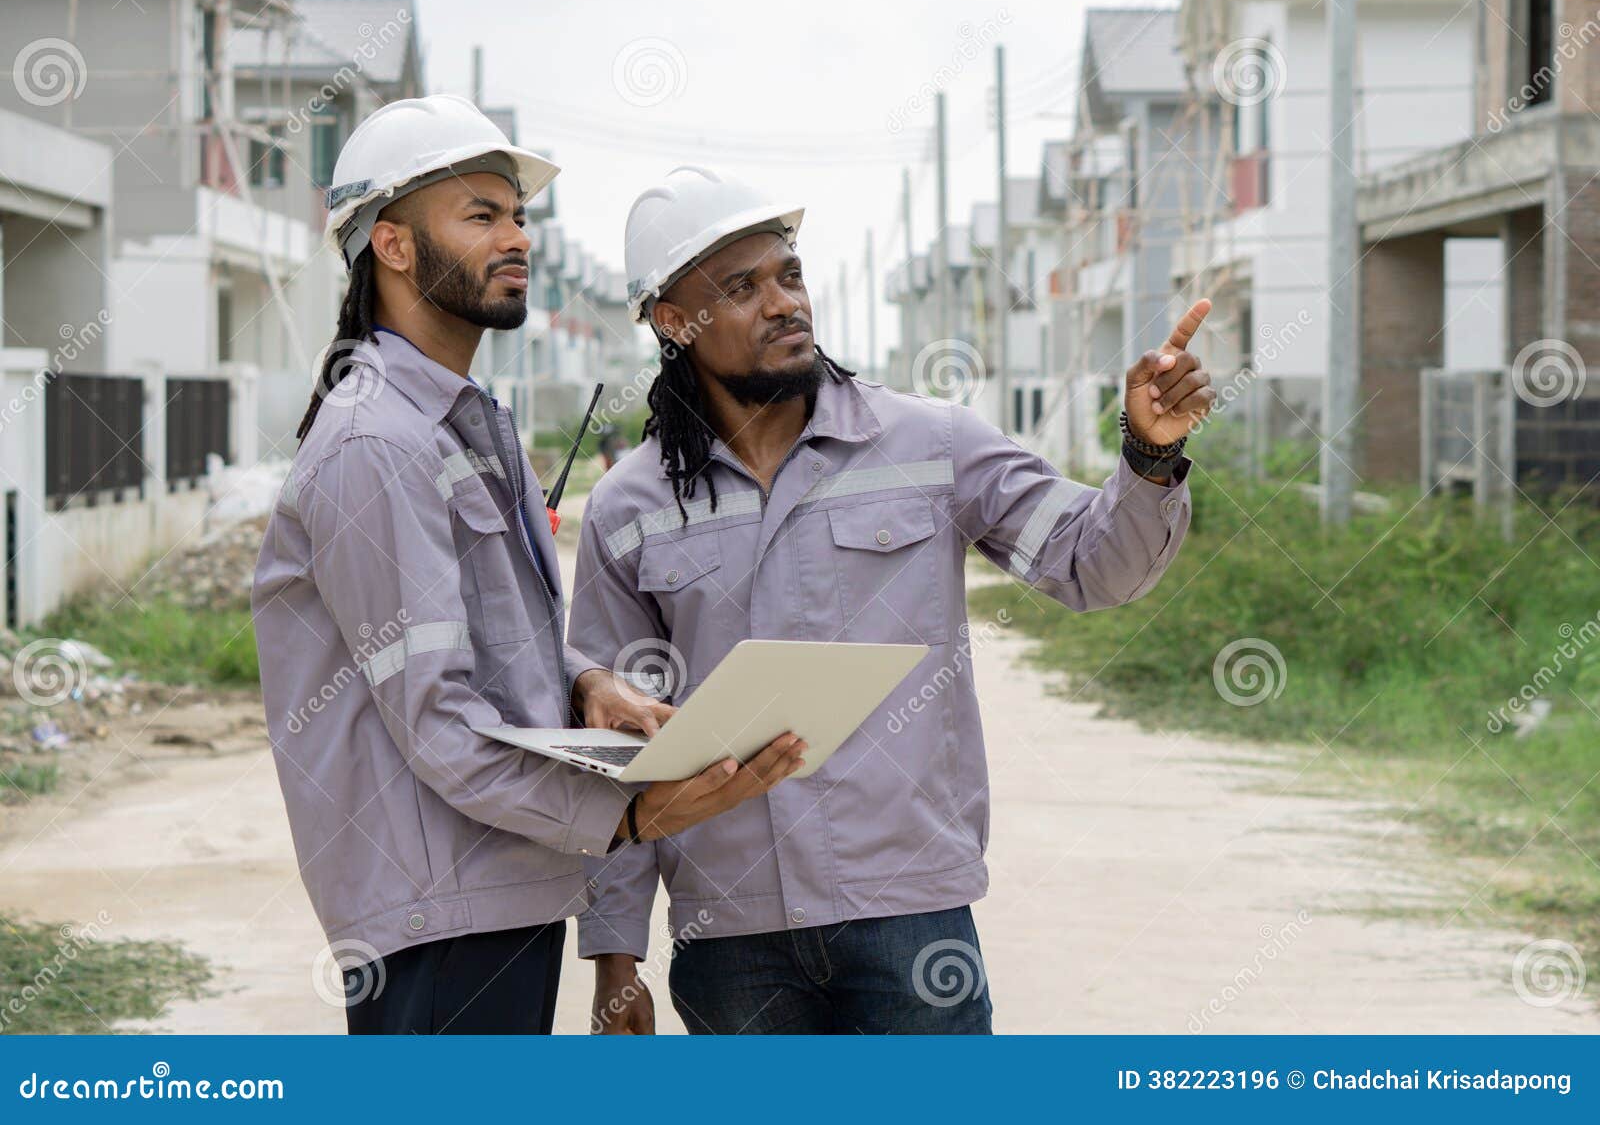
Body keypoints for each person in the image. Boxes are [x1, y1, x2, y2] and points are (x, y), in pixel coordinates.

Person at [571, 165, 1213, 1034]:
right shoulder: (630, 508)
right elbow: (612, 755)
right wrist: (617, 961)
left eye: (788, 276)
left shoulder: (930, 444)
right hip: (730, 939)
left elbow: (1092, 566)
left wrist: (1146, 455)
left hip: (908, 922)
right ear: (676, 322)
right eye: (743, 287)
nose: (783, 303)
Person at [251, 105, 804, 1036]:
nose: (518, 238)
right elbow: (433, 717)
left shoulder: (456, 424)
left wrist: (582, 682)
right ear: (389, 244)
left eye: (519, 215)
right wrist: (628, 817)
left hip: (497, 888)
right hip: (435, 912)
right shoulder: (375, 442)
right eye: (482, 216)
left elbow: (474, 649)